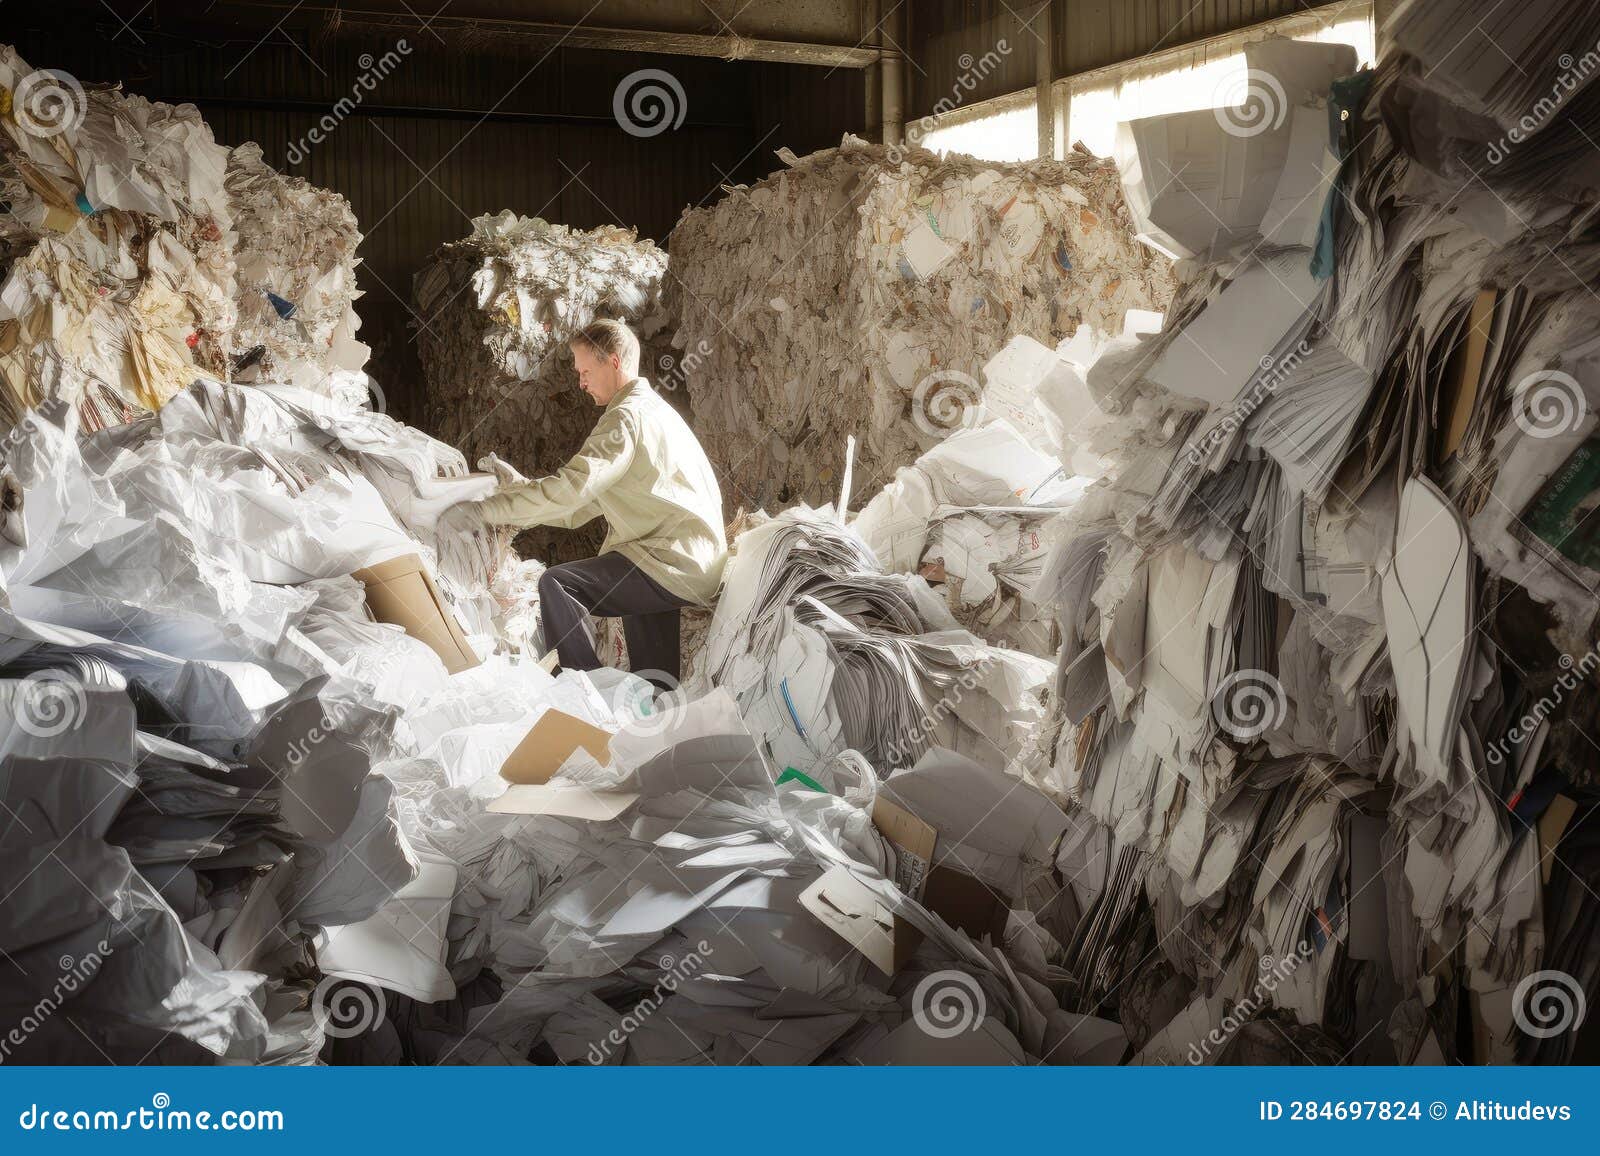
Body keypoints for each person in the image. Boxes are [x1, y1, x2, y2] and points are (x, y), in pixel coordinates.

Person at [471, 319, 726, 687]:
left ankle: (586, 691)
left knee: (558, 584)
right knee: (653, 678)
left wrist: (487, 509)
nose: (581, 382)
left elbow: (574, 488)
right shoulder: (654, 411)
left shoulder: (625, 418)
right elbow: (581, 506)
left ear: (613, 362)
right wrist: (521, 491)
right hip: (681, 559)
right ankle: (653, 714)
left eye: (586, 371)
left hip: (665, 558)